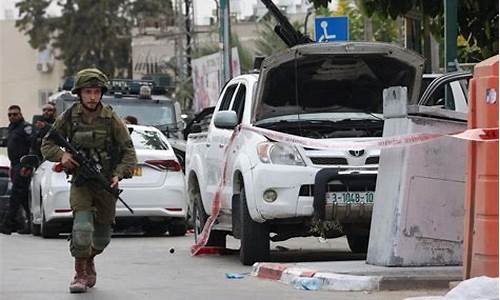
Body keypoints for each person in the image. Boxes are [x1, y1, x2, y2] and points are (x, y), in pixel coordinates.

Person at [41, 68, 137, 293]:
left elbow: (128, 152)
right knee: (82, 228)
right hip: (81, 183)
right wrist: (62, 155)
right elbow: (47, 144)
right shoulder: (69, 117)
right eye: (88, 92)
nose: (92, 96)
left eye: (96, 92)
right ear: (79, 93)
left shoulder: (111, 118)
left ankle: (89, 258)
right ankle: (80, 273)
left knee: (102, 238)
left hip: (105, 183)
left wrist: (118, 173)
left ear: (101, 93)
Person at [0, 105, 34, 235]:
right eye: (10, 115)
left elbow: (33, 145)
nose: (12, 117)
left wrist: (28, 165)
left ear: (20, 114)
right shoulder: (11, 129)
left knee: (15, 195)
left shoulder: (25, 128)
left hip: (23, 165)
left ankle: (7, 225)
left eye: (15, 114)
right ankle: (29, 225)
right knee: (23, 197)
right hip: (14, 166)